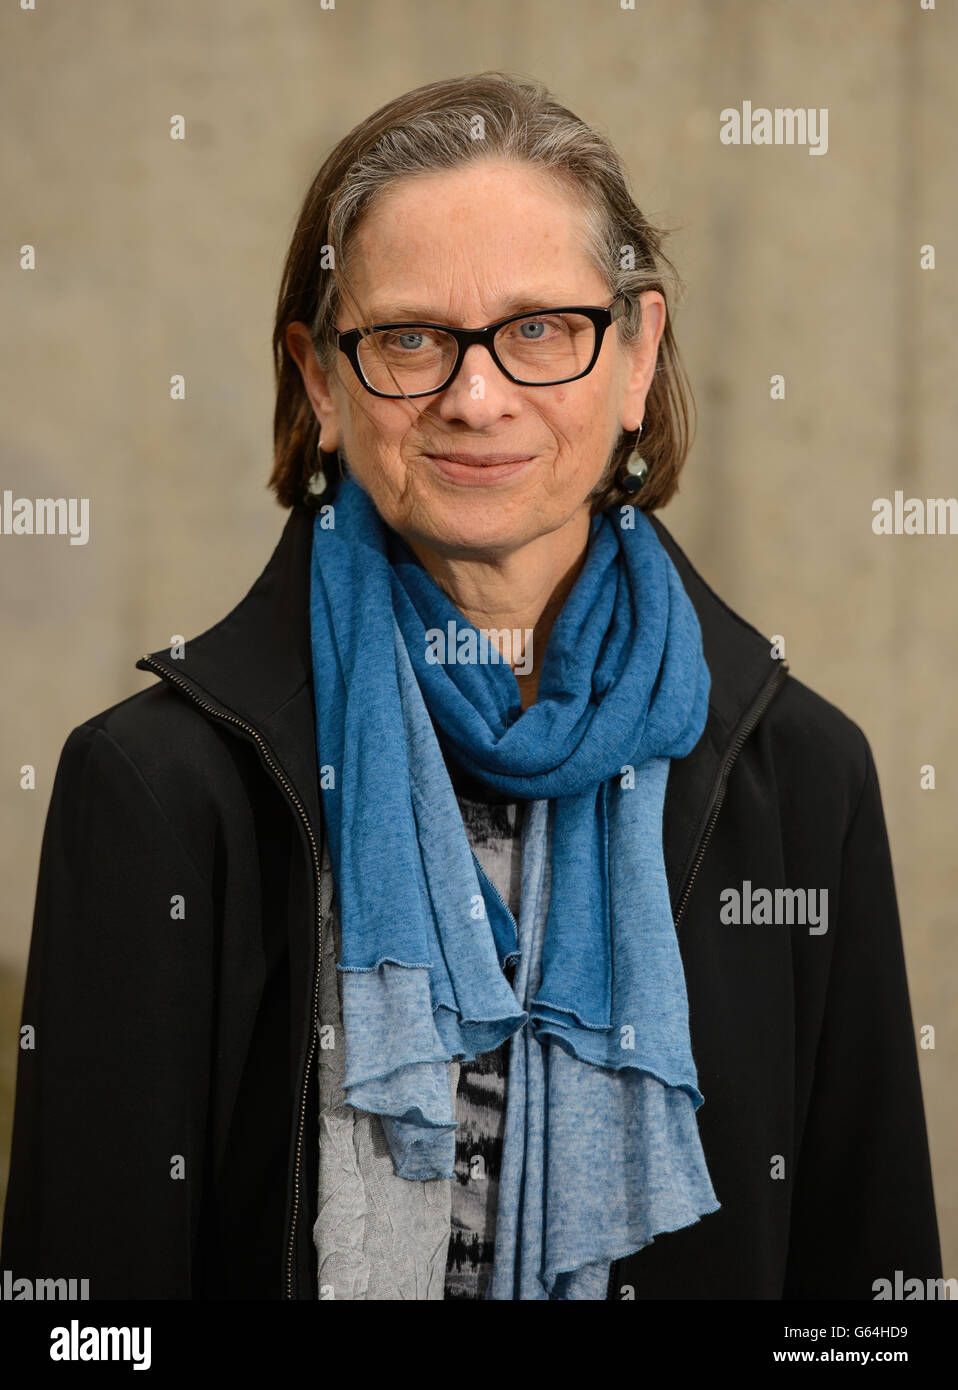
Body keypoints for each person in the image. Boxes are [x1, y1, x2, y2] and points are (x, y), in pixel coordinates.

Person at [1, 71, 941, 1301]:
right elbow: (86, 1321)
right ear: (322, 382)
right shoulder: (156, 788)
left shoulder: (804, 775)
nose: (475, 397)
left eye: (540, 329)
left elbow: (863, 1292)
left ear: (635, 352)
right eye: (408, 338)